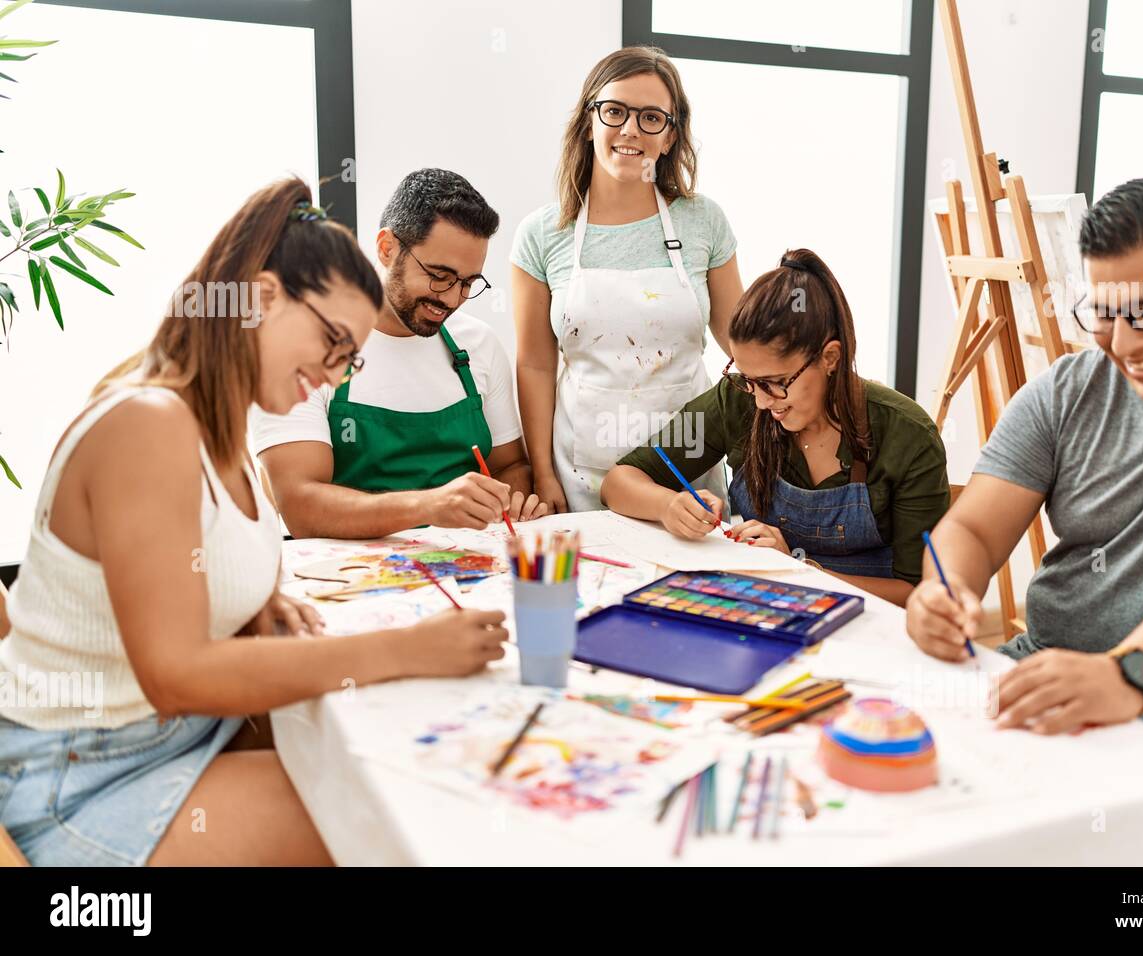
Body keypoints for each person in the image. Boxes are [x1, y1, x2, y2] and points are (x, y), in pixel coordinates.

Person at [0, 179, 509, 865]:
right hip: (85, 776)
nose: (333, 379)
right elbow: (176, 673)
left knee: (405, 774)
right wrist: (405, 649)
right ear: (263, 298)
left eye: (348, 359)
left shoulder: (215, 425)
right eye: (331, 343)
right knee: (395, 820)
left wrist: (247, 599)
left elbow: (178, 572)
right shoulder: (147, 424)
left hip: (175, 738)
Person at [905, 174, 1143, 828]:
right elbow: (973, 528)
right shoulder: (1069, 389)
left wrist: (1130, 675)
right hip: (1040, 679)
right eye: (1104, 315)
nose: (1124, 344)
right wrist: (940, 592)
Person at [602, 249, 950, 608]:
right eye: (749, 380)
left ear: (829, 358)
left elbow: (921, 594)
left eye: (775, 382)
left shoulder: (907, 435)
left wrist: (801, 569)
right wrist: (668, 506)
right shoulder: (734, 402)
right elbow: (620, 481)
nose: (760, 402)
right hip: (766, 612)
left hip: (873, 629)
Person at [512, 45, 743, 513]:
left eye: (651, 118)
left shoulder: (704, 222)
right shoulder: (541, 234)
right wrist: (542, 473)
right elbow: (535, 365)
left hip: (688, 467)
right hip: (582, 472)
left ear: (672, 134)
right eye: (614, 111)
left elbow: (743, 344)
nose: (630, 130)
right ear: (589, 120)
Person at [256, 169, 547, 538]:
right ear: (386, 248)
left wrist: (515, 501)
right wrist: (428, 506)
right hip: (349, 579)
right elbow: (301, 506)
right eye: (439, 276)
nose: (451, 298)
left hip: (470, 569)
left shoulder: (478, 345)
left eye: (468, 283)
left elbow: (510, 467)